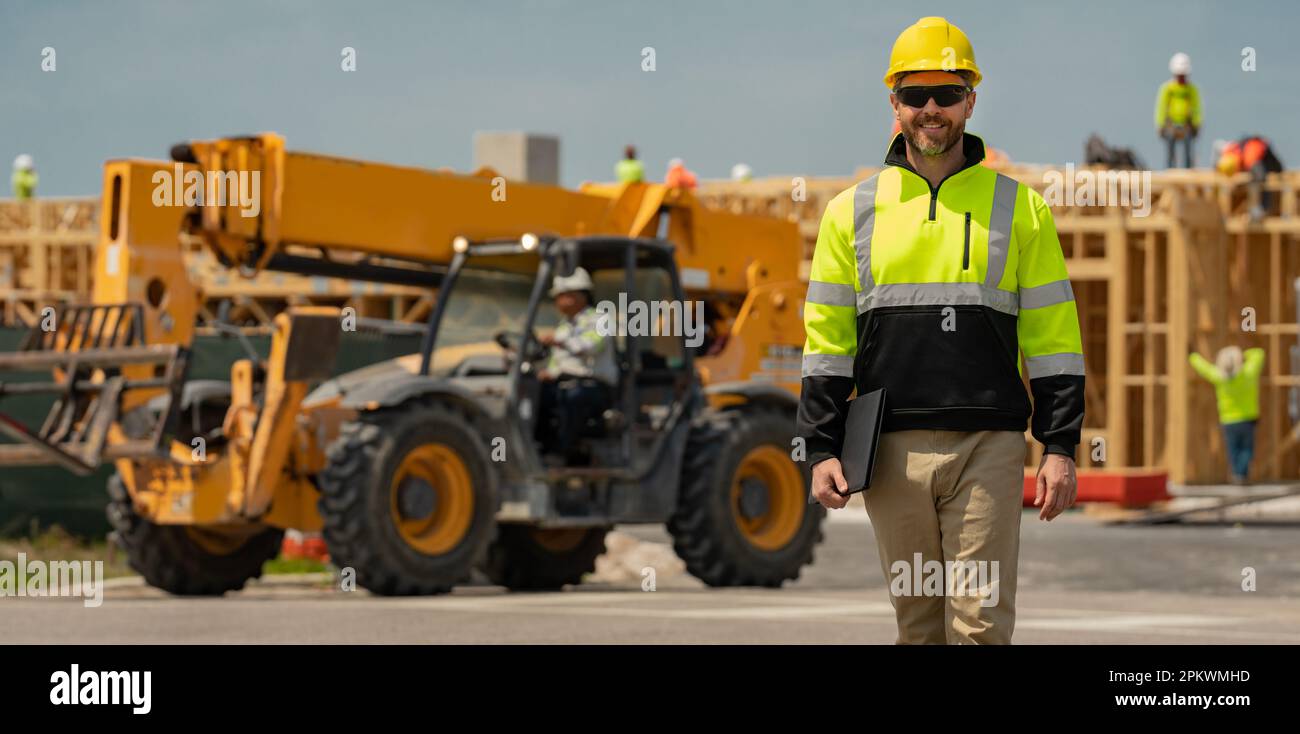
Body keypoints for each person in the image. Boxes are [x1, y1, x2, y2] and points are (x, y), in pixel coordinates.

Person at [798, 16, 1084, 644]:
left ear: (971, 100)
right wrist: (820, 446)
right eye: (917, 95)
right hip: (891, 448)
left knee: (979, 625)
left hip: (990, 444)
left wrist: (1059, 444)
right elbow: (827, 340)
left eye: (948, 94)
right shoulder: (851, 212)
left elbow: (1053, 334)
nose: (932, 110)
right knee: (919, 625)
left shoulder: (1020, 208)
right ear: (894, 103)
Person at [535, 267, 618, 461]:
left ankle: (562, 452)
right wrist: (549, 373)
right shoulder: (564, 325)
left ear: (581, 296)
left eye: (566, 295)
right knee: (536, 395)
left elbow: (589, 346)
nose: (560, 301)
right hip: (567, 381)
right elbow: (558, 361)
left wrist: (559, 341)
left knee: (573, 398)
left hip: (596, 386)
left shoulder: (600, 319)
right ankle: (541, 450)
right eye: (558, 297)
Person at [1189, 346, 1265, 484]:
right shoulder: (1248, 373)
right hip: (1247, 419)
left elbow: (1204, 369)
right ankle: (1241, 475)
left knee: (1233, 450)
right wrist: (1244, 354)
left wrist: (1192, 356)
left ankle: (1238, 474)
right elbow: (1259, 354)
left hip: (1228, 420)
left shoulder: (1220, 377)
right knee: (1247, 450)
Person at [1216, 136, 1284, 221]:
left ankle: (1263, 208)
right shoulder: (1228, 153)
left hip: (1267, 158)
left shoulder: (1250, 157)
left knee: (1266, 178)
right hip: (1251, 152)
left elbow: (1260, 178)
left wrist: (1257, 207)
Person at [1155, 53, 1201, 169]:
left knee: (1187, 149)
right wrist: (1160, 124)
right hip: (1171, 125)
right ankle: (1170, 170)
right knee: (1170, 150)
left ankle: (1188, 170)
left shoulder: (1191, 89)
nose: (1181, 77)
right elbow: (1161, 107)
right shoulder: (1168, 89)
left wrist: (1196, 123)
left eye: (1183, 75)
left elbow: (1196, 107)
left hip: (1186, 125)